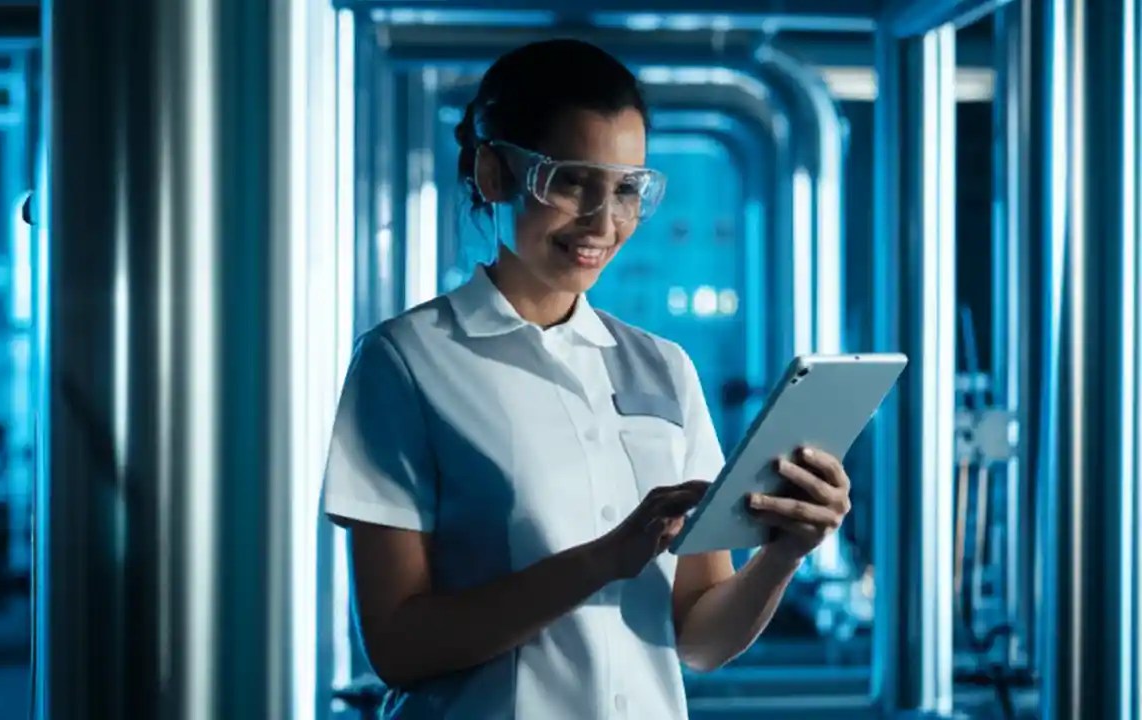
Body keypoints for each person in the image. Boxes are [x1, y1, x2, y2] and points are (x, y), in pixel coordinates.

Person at [321, 38, 853, 719]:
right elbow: (396, 646)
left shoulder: (665, 367)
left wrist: (785, 555)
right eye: (574, 181)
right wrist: (602, 561)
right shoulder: (406, 362)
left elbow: (698, 638)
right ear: (492, 172)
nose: (604, 222)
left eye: (628, 189)